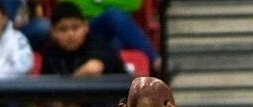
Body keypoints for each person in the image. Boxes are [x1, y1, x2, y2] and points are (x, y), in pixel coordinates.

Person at [40, 1, 123, 107]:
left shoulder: (98, 45)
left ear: (86, 26)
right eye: (63, 29)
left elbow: (92, 69)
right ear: (53, 32)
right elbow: (45, 96)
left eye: (75, 27)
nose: (70, 34)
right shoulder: (50, 53)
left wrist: (65, 96)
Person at [24, 0, 157, 71]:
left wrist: (95, 2)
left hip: (109, 29)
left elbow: (133, 4)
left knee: (115, 27)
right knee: (112, 15)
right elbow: (69, 5)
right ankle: (156, 61)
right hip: (82, 24)